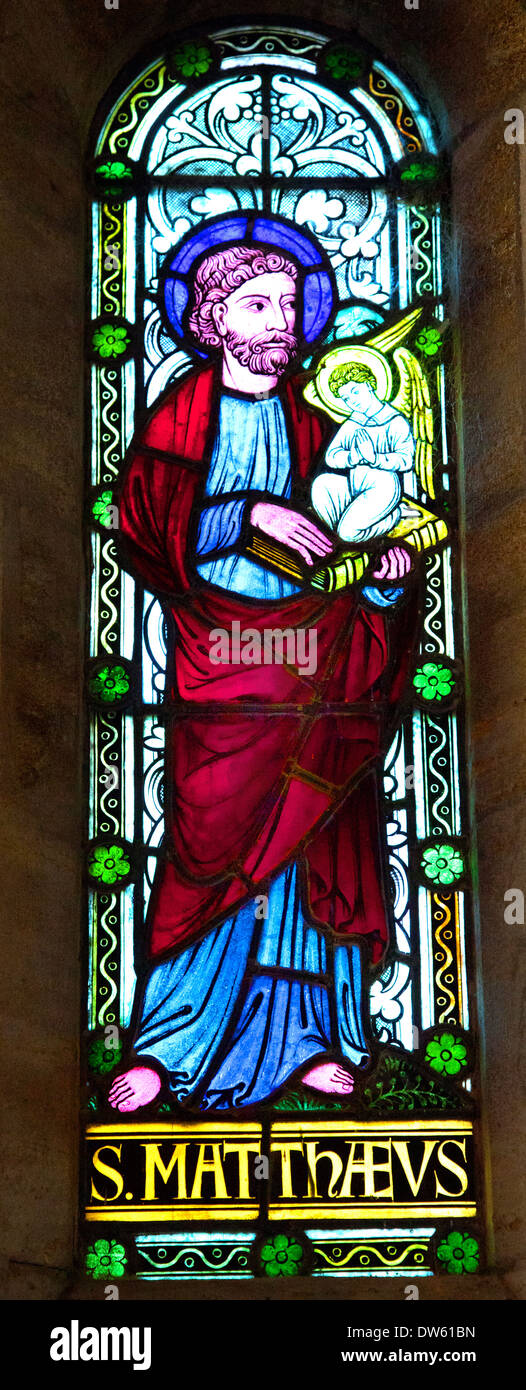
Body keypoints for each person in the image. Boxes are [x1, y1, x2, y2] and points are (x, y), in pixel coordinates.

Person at [108, 239, 417, 1115]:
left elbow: (351, 526)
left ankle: (314, 1035)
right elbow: (146, 527)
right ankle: (174, 1040)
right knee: (216, 834)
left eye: (288, 306)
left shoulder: (320, 421)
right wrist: (243, 511)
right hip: (226, 656)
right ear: (210, 320)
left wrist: (384, 576)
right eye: (258, 306)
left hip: (318, 652)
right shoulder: (179, 417)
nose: (280, 323)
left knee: (316, 823)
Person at [311, 363, 415, 544]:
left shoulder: (395, 421)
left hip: (383, 487)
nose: (352, 401)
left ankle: (395, 514)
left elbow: (405, 460)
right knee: (322, 484)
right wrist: (354, 456)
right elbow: (331, 456)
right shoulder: (353, 423)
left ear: (369, 385)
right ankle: (337, 544)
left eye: (355, 392)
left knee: (348, 533)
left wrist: (375, 458)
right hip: (354, 485)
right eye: (346, 398)